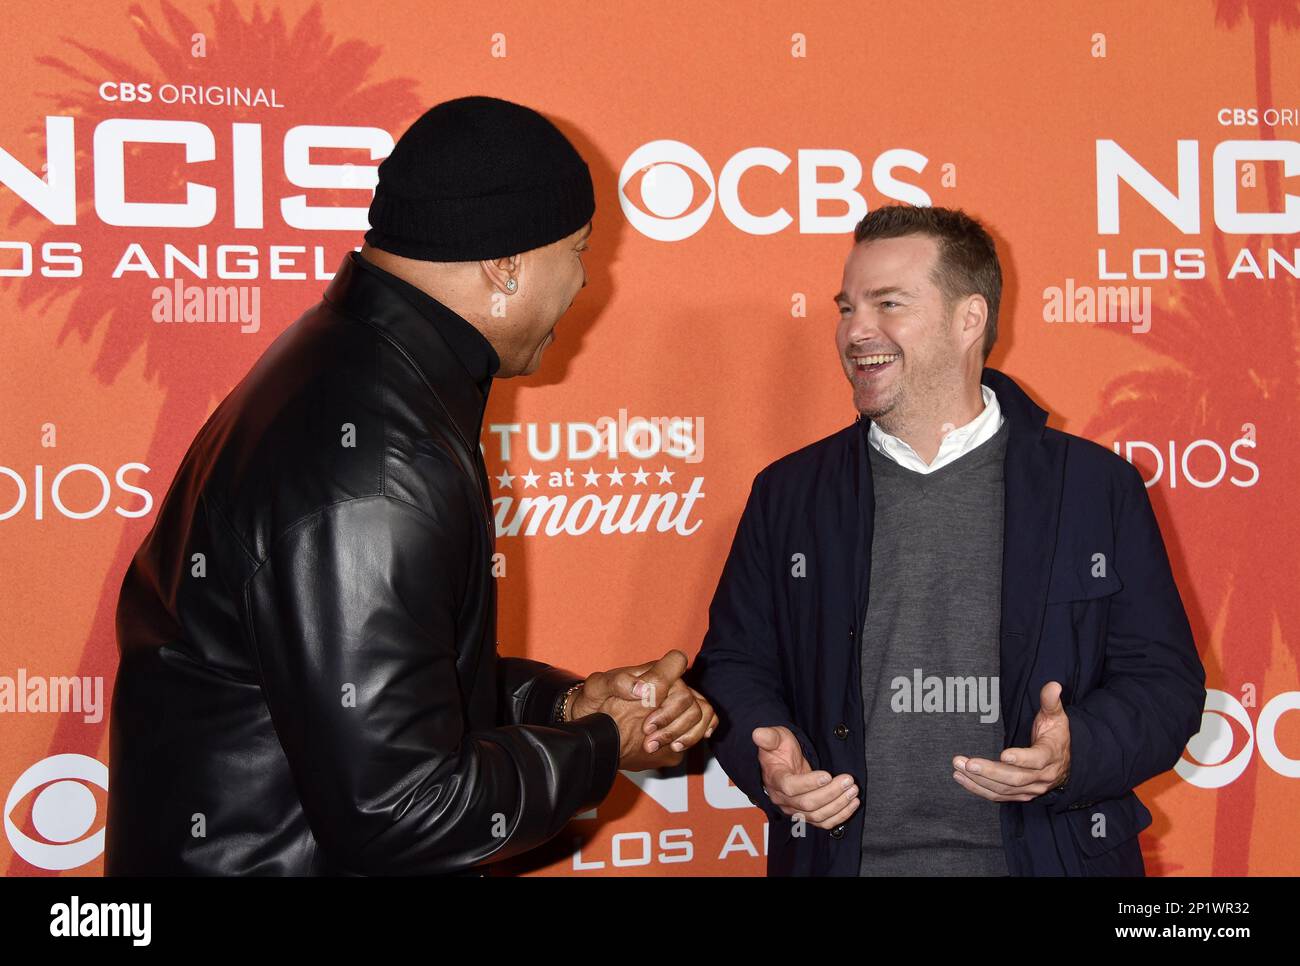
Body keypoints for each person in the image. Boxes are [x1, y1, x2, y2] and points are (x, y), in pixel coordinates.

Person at [107, 95, 715, 876]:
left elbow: (355, 686)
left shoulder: (347, 373)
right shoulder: (378, 459)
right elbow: (401, 809)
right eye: (579, 249)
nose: (584, 283)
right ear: (507, 264)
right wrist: (602, 746)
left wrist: (565, 708)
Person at [690, 204, 1205, 876]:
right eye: (847, 308)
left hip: (1049, 859)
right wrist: (768, 753)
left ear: (970, 319)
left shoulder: (1094, 488)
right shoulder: (789, 494)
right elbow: (733, 666)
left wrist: (1078, 750)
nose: (855, 331)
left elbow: (1164, 685)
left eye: (888, 304)